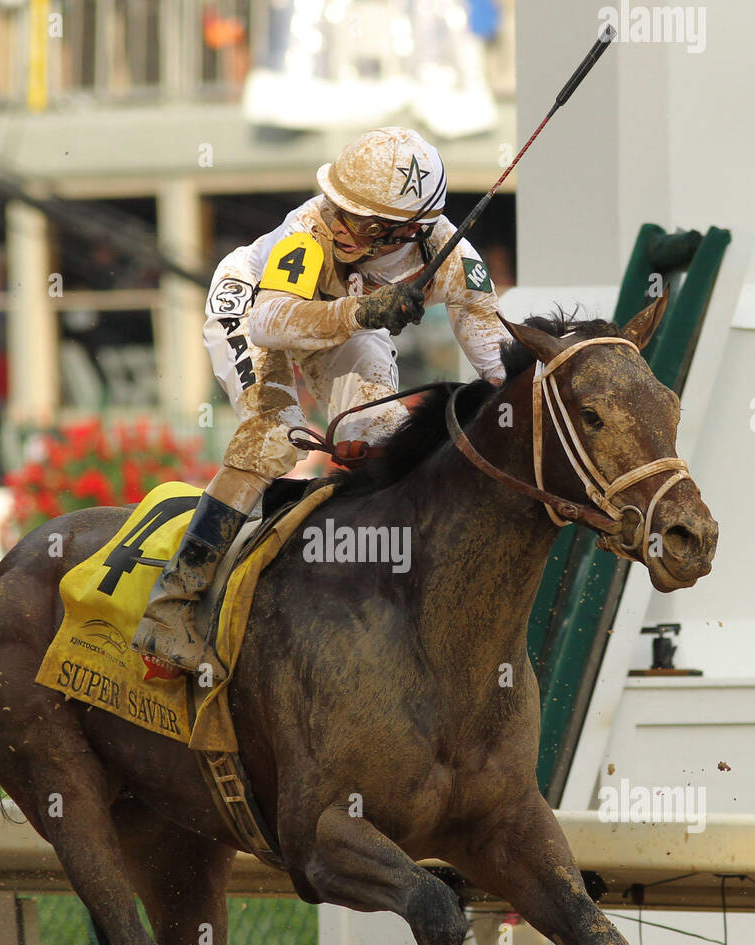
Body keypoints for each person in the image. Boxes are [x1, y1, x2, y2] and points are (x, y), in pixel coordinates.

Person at [132, 126, 510, 675]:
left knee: (378, 433)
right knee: (274, 435)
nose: (343, 224)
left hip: (344, 314)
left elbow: (494, 354)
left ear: (413, 230)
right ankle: (171, 607)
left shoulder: (451, 255)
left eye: (367, 222)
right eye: (340, 205)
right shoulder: (307, 232)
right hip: (253, 306)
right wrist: (363, 313)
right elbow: (271, 324)